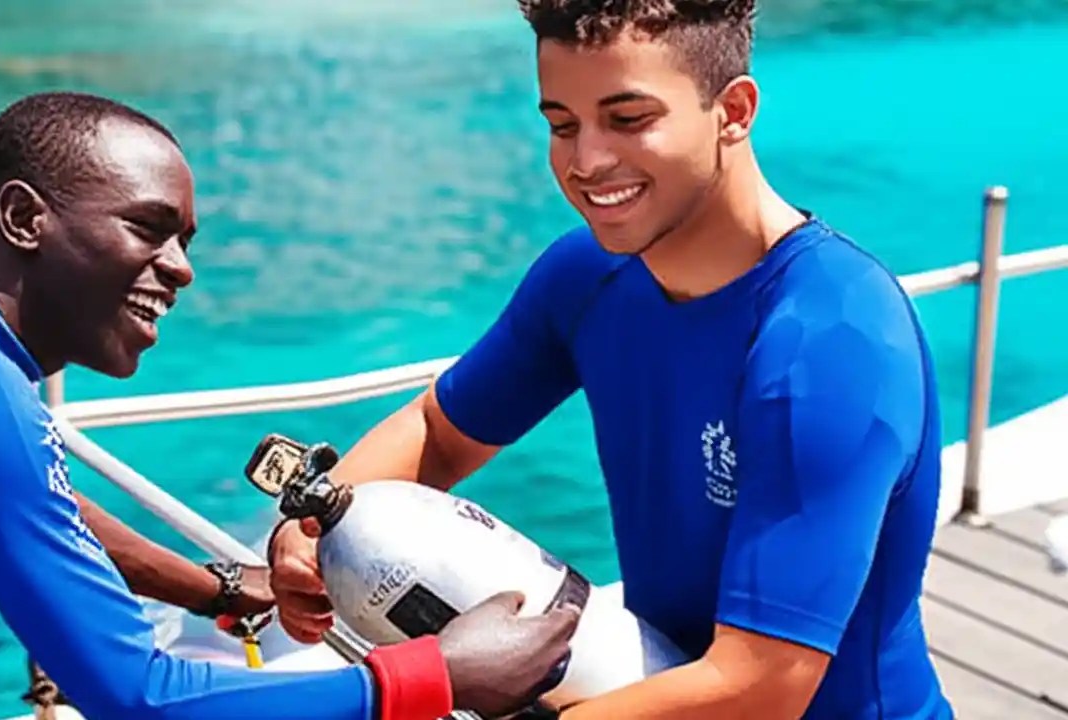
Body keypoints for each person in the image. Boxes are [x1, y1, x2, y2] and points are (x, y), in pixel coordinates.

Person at [0, 91, 580, 720]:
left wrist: (215, 591)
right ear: (25, 218)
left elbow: (26, 495)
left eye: (186, 243)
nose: (180, 271)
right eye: (148, 229)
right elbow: (138, 700)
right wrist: (439, 675)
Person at [268, 1, 953, 718]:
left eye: (628, 120)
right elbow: (440, 431)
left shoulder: (832, 340)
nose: (586, 162)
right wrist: (307, 534)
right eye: (562, 124)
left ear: (734, 111)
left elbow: (764, 684)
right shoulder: (589, 276)